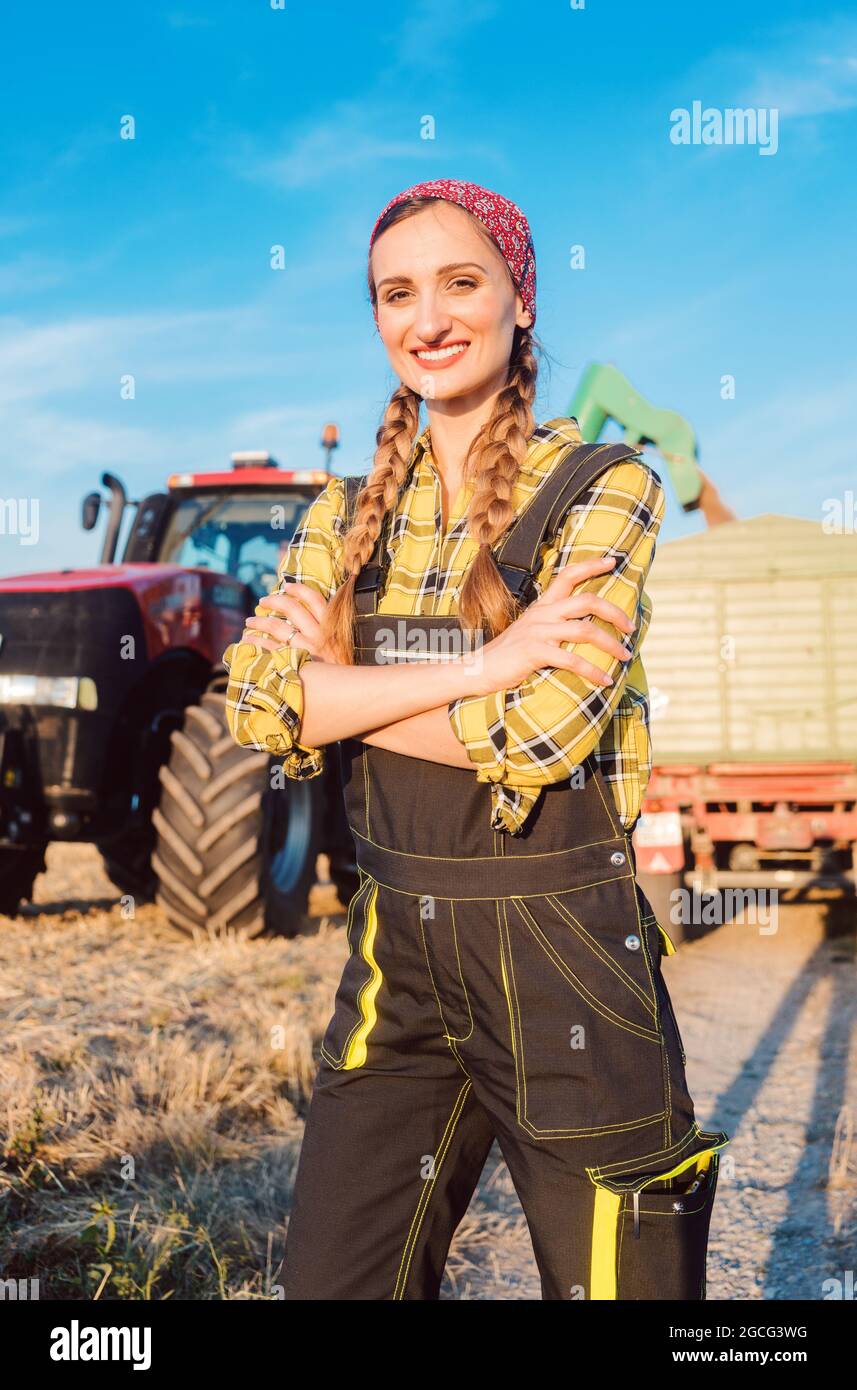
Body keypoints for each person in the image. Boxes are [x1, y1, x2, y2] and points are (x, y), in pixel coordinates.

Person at [221, 178, 729, 1301]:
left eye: (461, 282)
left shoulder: (608, 488)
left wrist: (338, 690)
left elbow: (536, 733)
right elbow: (255, 702)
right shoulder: (339, 514)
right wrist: (484, 664)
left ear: (520, 300)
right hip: (393, 949)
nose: (429, 317)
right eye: (397, 293)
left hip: (565, 961)